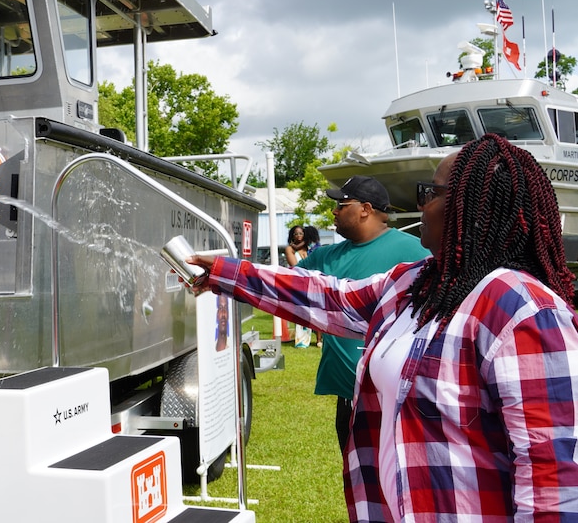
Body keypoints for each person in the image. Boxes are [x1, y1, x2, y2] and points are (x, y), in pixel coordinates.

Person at [181, 134, 578, 520]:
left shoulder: (523, 310)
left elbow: (553, 477)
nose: (419, 207)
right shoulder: (418, 282)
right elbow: (327, 297)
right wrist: (222, 273)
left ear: (470, 206)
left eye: (429, 193)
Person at [298, 175, 429, 451]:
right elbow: (282, 285)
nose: (334, 211)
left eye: (342, 204)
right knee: (357, 488)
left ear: (366, 209)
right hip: (348, 400)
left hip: (396, 401)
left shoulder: (414, 251)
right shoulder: (325, 257)